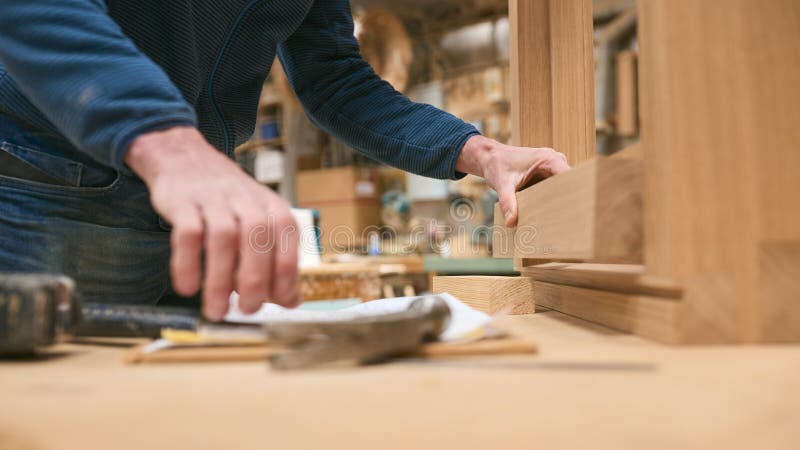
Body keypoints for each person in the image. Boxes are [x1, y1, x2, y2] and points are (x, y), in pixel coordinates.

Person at [0, 1, 569, 320]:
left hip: (190, 216)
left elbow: (333, 76)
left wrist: (482, 153)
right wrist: (165, 139)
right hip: (51, 185)